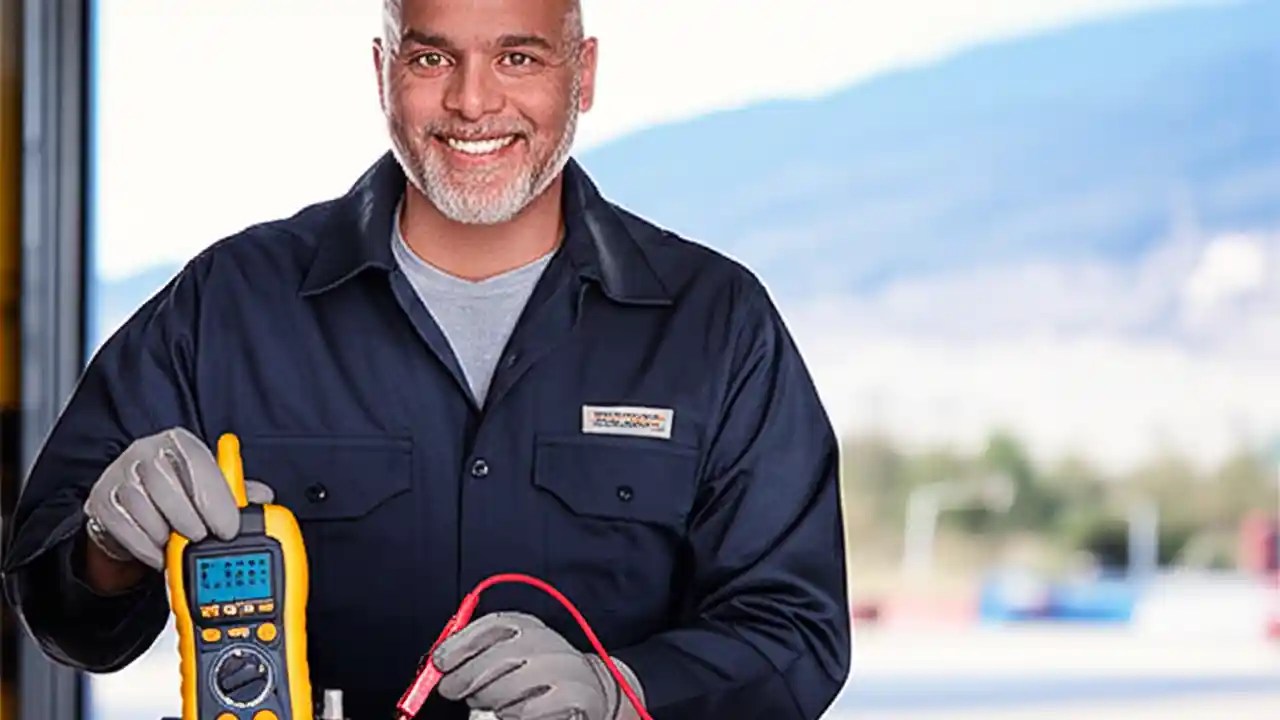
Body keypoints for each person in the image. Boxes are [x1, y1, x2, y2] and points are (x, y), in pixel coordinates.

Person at [0, 0, 851, 718]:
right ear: (383, 72)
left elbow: (798, 633)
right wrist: (106, 546)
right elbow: (61, 618)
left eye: (518, 57)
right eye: (432, 56)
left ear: (583, 73)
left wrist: (621, 690)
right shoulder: (228, 305)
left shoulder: (714, 321)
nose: (473, 101)